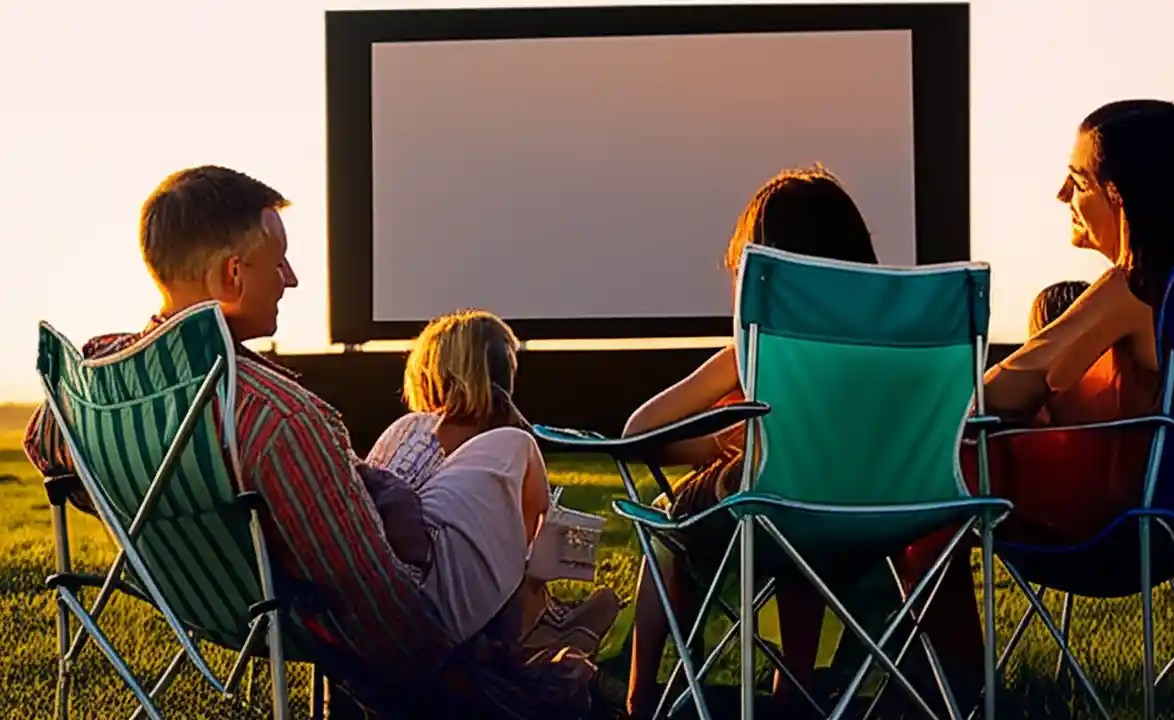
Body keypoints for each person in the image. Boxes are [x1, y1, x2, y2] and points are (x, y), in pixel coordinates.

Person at [22, 166, 478, 713]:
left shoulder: (94, 382)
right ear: (233, 276)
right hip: (303, 620)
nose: (292, 280)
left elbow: (41, 443)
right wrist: (461, 665)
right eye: (279, 262)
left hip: (191, 602)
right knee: (502, 457)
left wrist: (152, 515)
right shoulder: (276, 420)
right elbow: (371, 601)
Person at [897, 99, 1174, 696]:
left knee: (928, 473)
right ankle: (932, 678)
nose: (1062, 195)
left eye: (1079, 180)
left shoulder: (1132, 287)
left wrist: (913, 412)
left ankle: (943, 683)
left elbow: (1014, 383)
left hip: (1117, 523)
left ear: (1124, 196)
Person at [622, 165, 880, 717]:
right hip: (878, 515)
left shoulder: (757, 350)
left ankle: (640, 698)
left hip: (770, 510)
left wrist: (714, 447)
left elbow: (639, 431)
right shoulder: (888, 347)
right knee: (800, 525)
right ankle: (795, 691)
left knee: (668, 522)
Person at [363, 309, 619, 718]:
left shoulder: (402, 430)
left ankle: (540, 624)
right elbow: (539, 517)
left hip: (380, 596)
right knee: (518, 456)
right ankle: (535, 624)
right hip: (426, 599)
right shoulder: (485, 444)